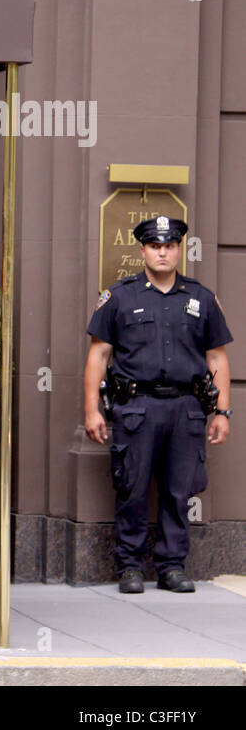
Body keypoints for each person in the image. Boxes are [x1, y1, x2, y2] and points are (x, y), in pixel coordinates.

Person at [84, 215, 232, 594]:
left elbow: (216, 358)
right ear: (143, 251)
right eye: (155, 246)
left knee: (178, 490)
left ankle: (171, 566)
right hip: (137, 407)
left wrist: (222, 412)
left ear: (179, 249)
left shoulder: (200, 298)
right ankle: (130, 567)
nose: (162, 252)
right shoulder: (120, 297)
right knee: (132, 488)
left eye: (169, 246)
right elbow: (99, 356)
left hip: (186, 409)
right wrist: (91, 410)